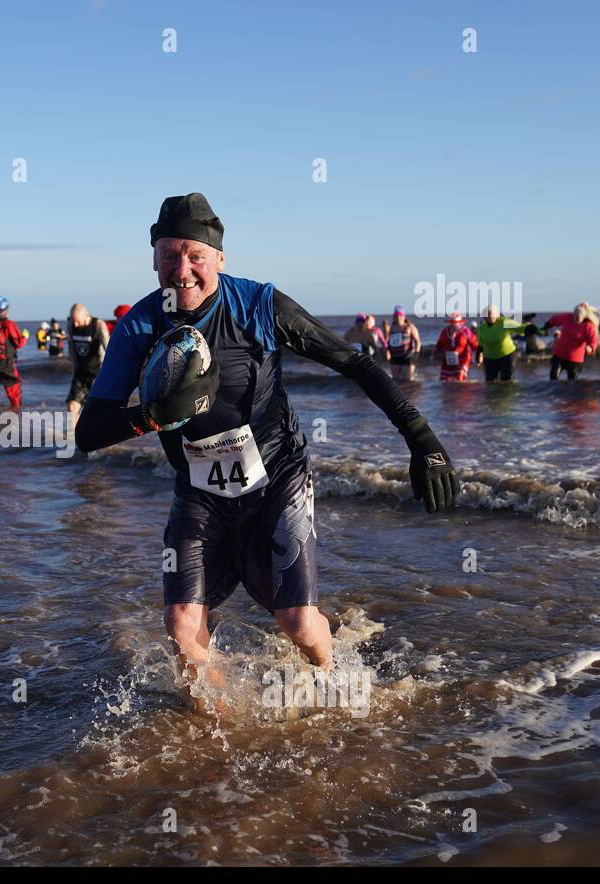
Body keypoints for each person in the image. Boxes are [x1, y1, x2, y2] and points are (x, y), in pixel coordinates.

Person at [74, 193, 459, 701]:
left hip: (276, 477)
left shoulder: (259, 306)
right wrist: (151, 416)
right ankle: (215, 732)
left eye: (195, 256)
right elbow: (89, 433)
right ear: (153, 260)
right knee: (182, 626)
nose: (181, 270)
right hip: (199, 490)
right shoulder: (140, 325)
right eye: (168, 256)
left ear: (219, 259)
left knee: (297, 622)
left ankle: (335, 684)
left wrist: (422, 438)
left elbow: (354, 363)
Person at [65, 303, 110, 426]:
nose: (75, 324)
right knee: (72, 407)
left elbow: (109, 349)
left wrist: (108, 371)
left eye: (77, 321)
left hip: (97, 372)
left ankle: (96, 438)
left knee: (95, 410)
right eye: (73, 321)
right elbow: (71, 348)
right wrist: (74, 366)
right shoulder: (71, 325)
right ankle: (75, 439)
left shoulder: (98, 325)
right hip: (81, 372)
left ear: (86, 315)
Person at [544, 303, 599, 380]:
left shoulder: (588, 326)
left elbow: (593, 341)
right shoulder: (568, 317)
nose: (575, 318)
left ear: (584, 316)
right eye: (574, 316)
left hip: (575, 360)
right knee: (553, 379)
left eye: (578, 317)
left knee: (572, 384)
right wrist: (547, 325)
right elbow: (555, 319)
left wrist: (590, 348)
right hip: (559, 355)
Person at [476, 305, 526, 382]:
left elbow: (521, 328)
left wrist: (532, 329)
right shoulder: (482, 328)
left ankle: (508, 392)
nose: (490, 316)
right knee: (490, 381)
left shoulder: (504, 322)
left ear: (496, 315)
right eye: (488, 314)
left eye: (492, 313)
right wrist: (478, 355)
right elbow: (480, 344)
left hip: (507, 355)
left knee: (506, 379)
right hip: (490, 357)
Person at [434, 311, 478, 382]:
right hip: (448, 359)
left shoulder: (466, 331)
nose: (456, 324)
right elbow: (440, 343)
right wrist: (435, 352)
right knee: (445, 381)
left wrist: (478, 354)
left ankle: (461, 391)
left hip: (463, 359)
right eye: (453, 322)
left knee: (460, 378)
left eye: (458, 322)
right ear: (450, 322)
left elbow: (474, 343)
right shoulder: (445, 331)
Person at [386, 306, 421, 381]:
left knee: (407, 379)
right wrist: (387, 352)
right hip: (394, 357)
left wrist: (416, 354)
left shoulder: (410, 327)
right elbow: (388, 342)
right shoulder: (391, 328)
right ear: (394, 317)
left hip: (407, 356)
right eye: (396, 316)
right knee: (395, 379)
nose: (398, 318)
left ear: (404, 316)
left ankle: (410, 392)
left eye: (400, 316)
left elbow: (417, 341)